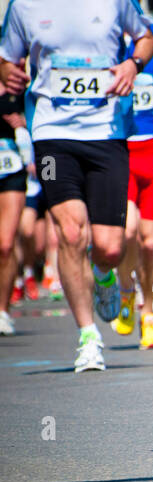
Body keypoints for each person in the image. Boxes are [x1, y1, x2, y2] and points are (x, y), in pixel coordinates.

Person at [0, 0, 153, 372]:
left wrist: (132, 64)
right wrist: (7, 72)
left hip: (107, 133)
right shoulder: (24, 5)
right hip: (52, 135)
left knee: (110, 247)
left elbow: (146, 38)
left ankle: (103, 274)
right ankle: (88, 336)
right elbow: (6, 57)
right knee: (70, 233)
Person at [112, 19, 153, 350]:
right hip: (120, 150)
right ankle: (125, 291)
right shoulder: (104, 42)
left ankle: (150, 314)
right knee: (127, 231)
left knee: (151, 242)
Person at [0, 92, 26, 337]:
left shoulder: (17, 86)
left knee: (6, 244)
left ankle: (2, 310)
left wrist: (23, 123)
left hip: (12, 168)